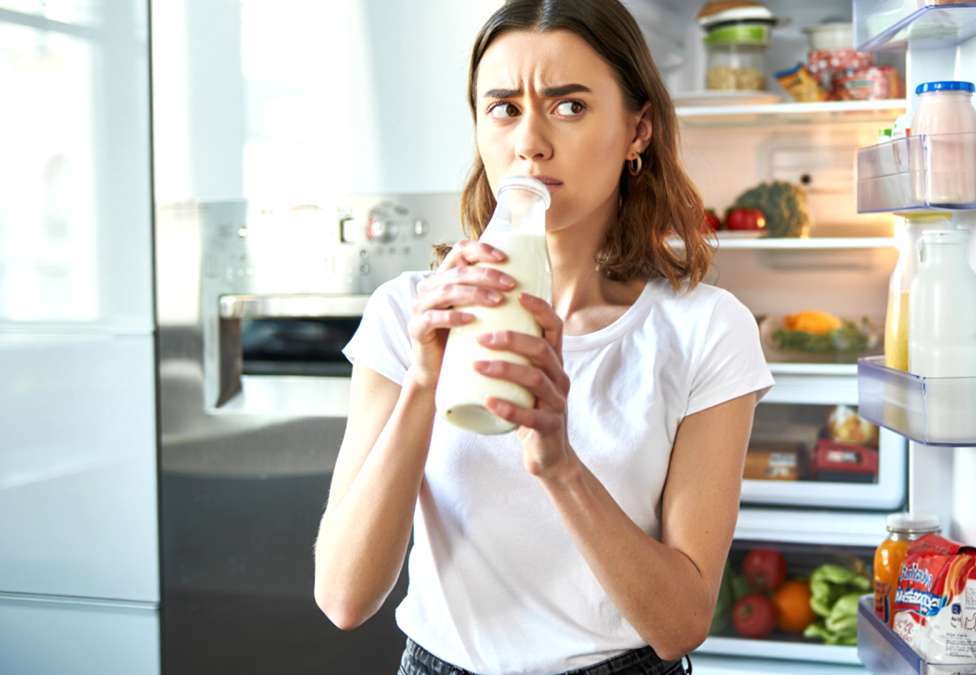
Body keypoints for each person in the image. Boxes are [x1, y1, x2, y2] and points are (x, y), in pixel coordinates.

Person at [314, 1, 774, 673]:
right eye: (503, 108)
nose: (530, 140)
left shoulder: (705, 329)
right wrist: (422, 383)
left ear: (637, 129)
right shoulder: (406, 315)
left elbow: (681, 623)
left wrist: (559, 463)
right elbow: (344, 596)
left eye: (569, 106)